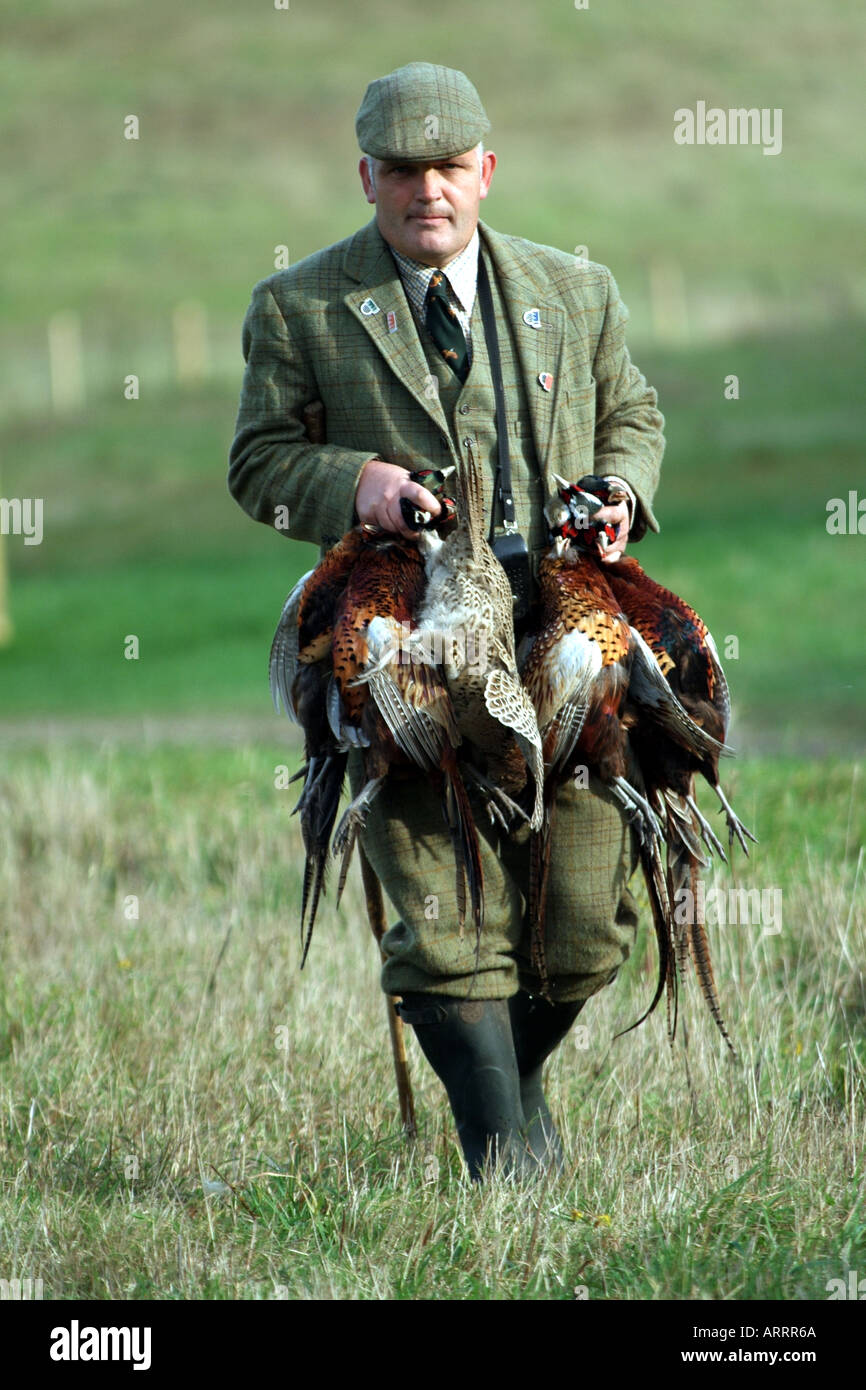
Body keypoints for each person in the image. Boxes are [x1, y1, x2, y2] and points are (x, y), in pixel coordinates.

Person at [228, 62, 665, 1180]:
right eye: (403, 169)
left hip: (564, 631)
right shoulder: (300, 304)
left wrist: (620, 490)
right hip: (402, 653)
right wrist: (351, 482)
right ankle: (505, 1165)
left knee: (581, 926)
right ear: (365, 175)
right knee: (443, 924)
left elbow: (633, 414)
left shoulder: (575, 288)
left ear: (486, 169)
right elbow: (258, 466)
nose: (429, 188)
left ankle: (511, 1101)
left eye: (449, 166)